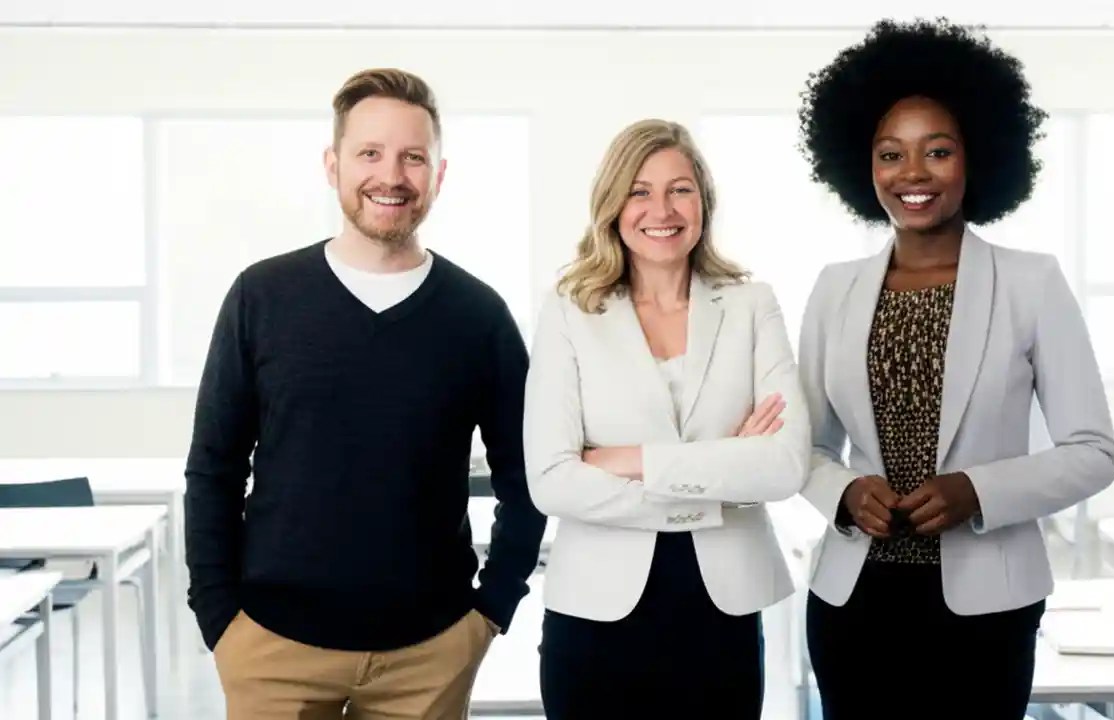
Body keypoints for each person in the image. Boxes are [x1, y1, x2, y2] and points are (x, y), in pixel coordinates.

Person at [185, 67, 546, 719]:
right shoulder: (261, 297)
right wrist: (219, 617)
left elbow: (526, 475)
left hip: (428, 657)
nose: (392, 175)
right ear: (333, 165)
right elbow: (214, 467)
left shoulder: (478, 316)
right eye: (370, 153)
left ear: (439, 174)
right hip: (272, 650)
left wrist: (491, 609)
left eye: (414, 157)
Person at [794, 19, 1114, 718]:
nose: (913, 174)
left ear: (977, 157)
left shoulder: (1032, 283)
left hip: (988, 610)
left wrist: (978, 490)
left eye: (936, 151)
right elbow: (808, 448)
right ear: (864, 166)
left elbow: (1093, 453)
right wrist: (847, 495)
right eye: (891, 155)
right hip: (854, 602)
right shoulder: (834, 288)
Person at [523, 118, 810, 719]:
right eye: (639, 190)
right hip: (594, 614)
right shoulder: (570, 311)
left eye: (680, 188)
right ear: (612, 204)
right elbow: (551, 479)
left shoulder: (751, 304)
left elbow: (784, 465)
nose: (662, 208)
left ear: (704, 200)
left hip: (722, 612)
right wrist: (720, 484)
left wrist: (631, 461)